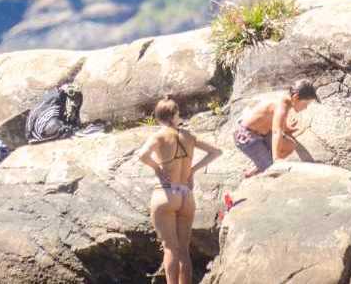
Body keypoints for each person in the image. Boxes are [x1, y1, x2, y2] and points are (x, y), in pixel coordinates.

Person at [136, 98, 222, 284]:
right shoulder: (189, 136)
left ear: (159, 117)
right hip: (186, 194)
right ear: (174, 115)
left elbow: (142, 155)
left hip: (166, 193)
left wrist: (157, 169)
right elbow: (216, 152)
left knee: (170, 248)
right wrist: (192, 170)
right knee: (183, 249)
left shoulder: (159, 136)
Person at [234, 78, 318, 177]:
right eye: (305, 104)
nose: (306, 107)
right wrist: (277, 159)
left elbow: (275, 121)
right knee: (272, 169)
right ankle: (265, 166)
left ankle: (260, 164)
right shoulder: (280, 106)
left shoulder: (286, 102)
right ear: (295, 97)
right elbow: (276, 131)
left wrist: (286, 128)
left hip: (262, 133)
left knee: (290, 145)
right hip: (247, 137)